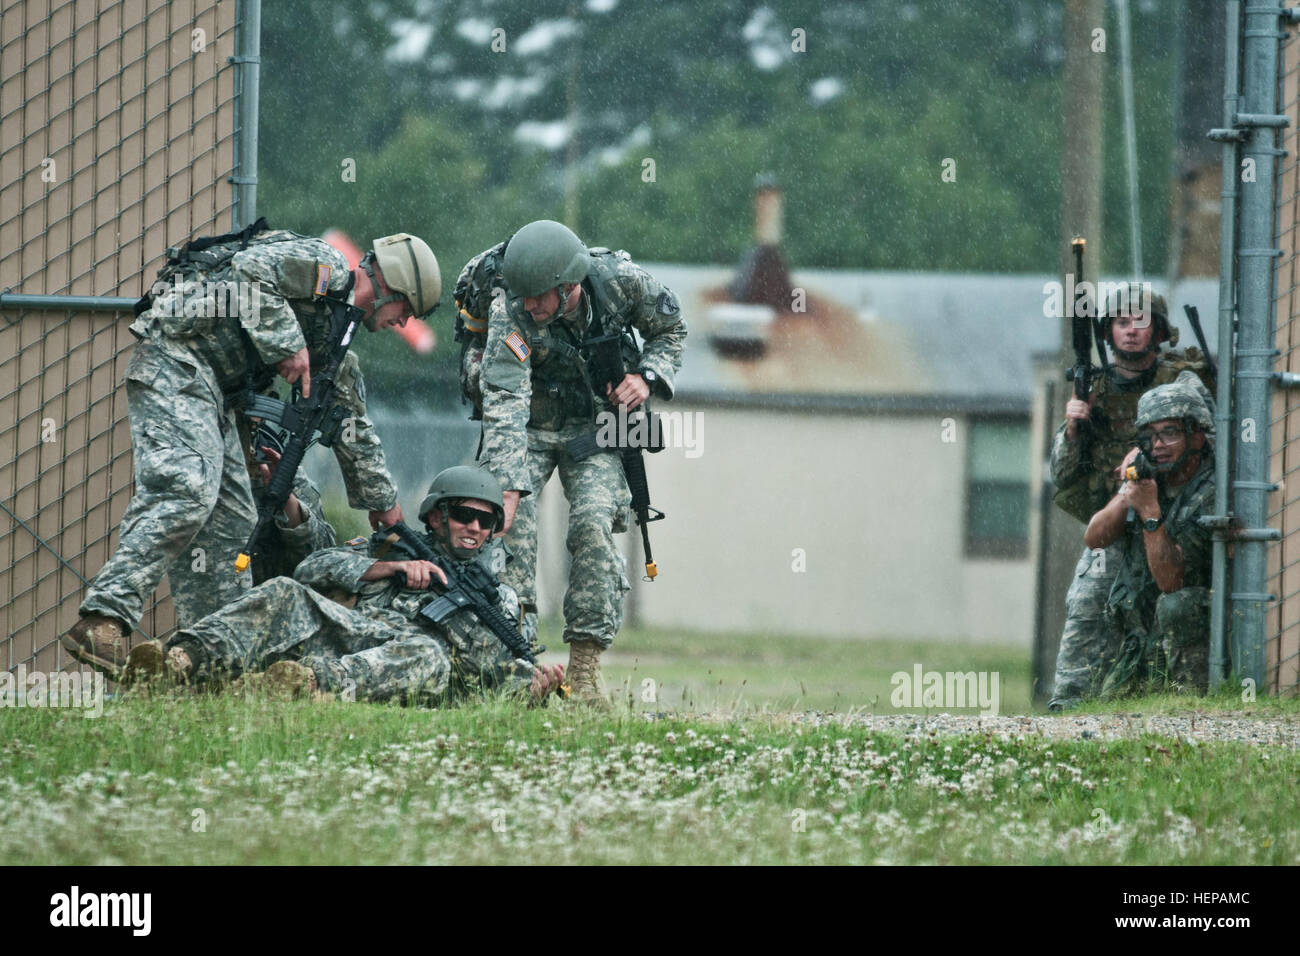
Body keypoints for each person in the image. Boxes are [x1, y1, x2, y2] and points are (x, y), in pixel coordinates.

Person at [62, 225, 442, 676]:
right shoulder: (328, 268)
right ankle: (104, 617)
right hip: (178, 360)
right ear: (391, 283)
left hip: (219, 395)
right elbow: (251, 271)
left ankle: (205, 662)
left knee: (231, 528)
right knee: (187, 488)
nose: (403, 322)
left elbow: (352, 422)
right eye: (406, 308)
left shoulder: (336, 336)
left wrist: (384, 506)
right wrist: (286, 343)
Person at [118, 465, 564, 704]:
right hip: (343, 636)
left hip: (405, 664)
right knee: (284, 593)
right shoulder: (394, 549)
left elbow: (498, 673)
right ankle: (179, 660)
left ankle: (305, 687)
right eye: (464, 515)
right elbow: (310, 569)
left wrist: (535, 687)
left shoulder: (499, 598)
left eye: (485, 520)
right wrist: (388, 570)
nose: (474, 527)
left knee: (429, 654)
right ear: (435, 516)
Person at [472, 220, 687, 704]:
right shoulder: (510, 308)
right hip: (526, 427)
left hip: (595, 427)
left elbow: (672, 328)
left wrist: (647, 377)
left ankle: (585, 673)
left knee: (592, 524)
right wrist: (507, 488)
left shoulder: (619, 283)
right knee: (510, 532)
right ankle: (520, 669)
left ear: (568, 286)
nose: (529, 306)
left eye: (539, 297)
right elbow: (504, 397)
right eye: (523, 296)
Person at [1047, 286, 1212, 710]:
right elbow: (1062, 476)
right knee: (1088, 601)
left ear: (1159, 332)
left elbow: (1209, 435)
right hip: (1118, 521)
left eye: (1141, 321)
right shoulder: (1092, 389)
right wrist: (1072, 429)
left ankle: (1171, 704)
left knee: (1168, 605)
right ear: (1108, 332)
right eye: (1122, 322)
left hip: (1176, 514)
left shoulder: (1182, 379)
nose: (1132, 331)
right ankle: (1068, 707)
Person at [1083, 382, 1217, 695]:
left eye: (1170, 433)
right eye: (1150, 436)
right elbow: (1094, 537)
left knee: (1176, 604)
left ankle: (1189, 698)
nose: (1157, 445)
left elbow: (1171, 581)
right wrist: (1128, 491)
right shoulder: (1153, 472)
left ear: (1196, 435)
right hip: (1146, 631)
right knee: (1111, 715)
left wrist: (1150, 514)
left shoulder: (1210, 491)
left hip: (1198, 630)